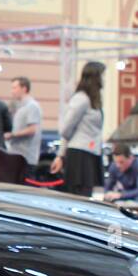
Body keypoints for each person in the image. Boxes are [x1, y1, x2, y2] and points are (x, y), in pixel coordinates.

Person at [52, 61, 105, 196]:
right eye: (103, 75)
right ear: (95, 77)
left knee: (87, 194)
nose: (105, 79)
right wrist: (60, 155)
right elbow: (66, 129)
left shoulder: (94, 100)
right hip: (80, 155)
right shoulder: (81, 99)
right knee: (80, 195)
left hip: (90, 152)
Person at [4, 76, 42, 167]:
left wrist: (12, 135)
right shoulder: (20, 107)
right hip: (16, 155)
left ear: (24, 88)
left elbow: (32, 129)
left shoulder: (32, 106)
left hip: (26, 157)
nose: (12, 91)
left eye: (14, 88)